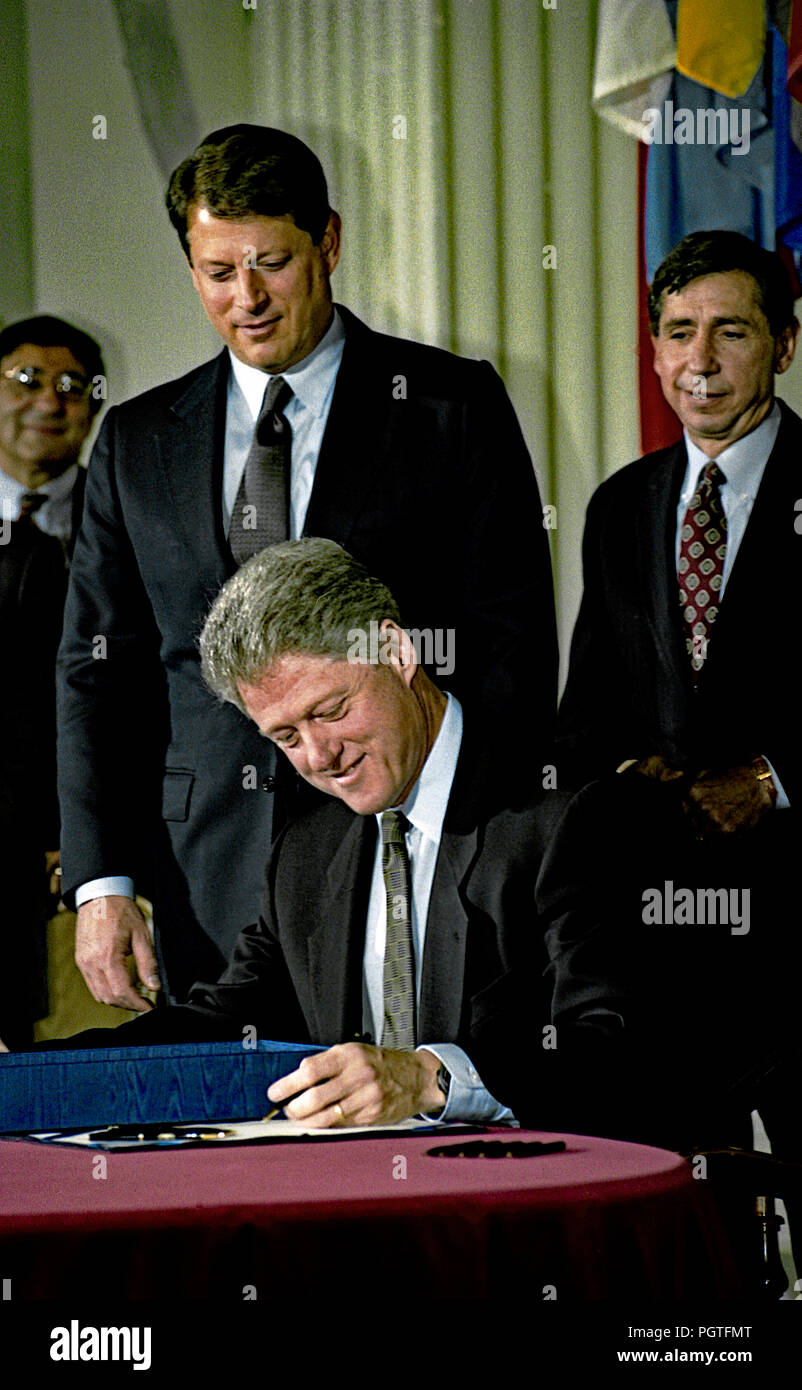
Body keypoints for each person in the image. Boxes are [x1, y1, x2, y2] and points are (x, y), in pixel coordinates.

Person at [57, 123, 557, 1015]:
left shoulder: (449, 407)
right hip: (201, 870)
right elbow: (97, 673)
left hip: (404, 860)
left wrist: (478, 848)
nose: (245, 297)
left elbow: (509, 645)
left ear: (327, 240)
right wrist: (102, 882)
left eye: (271, 263)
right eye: (217, 273)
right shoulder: (135, 442)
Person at [21, 539, 558, 1128]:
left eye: (329, 711)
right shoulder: (307, 849)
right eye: (285, 737)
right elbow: (222, 1030)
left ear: (397, 650)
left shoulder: (572, 812)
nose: (320, 755)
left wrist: (427, 1077)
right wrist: (25, 1073)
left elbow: (617, 1047)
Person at [0, 315, 105, 1047]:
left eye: (72, 388)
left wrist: (89, 829)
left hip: (87, 859)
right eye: (26, 381)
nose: (49, 402)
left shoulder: (126, 512)